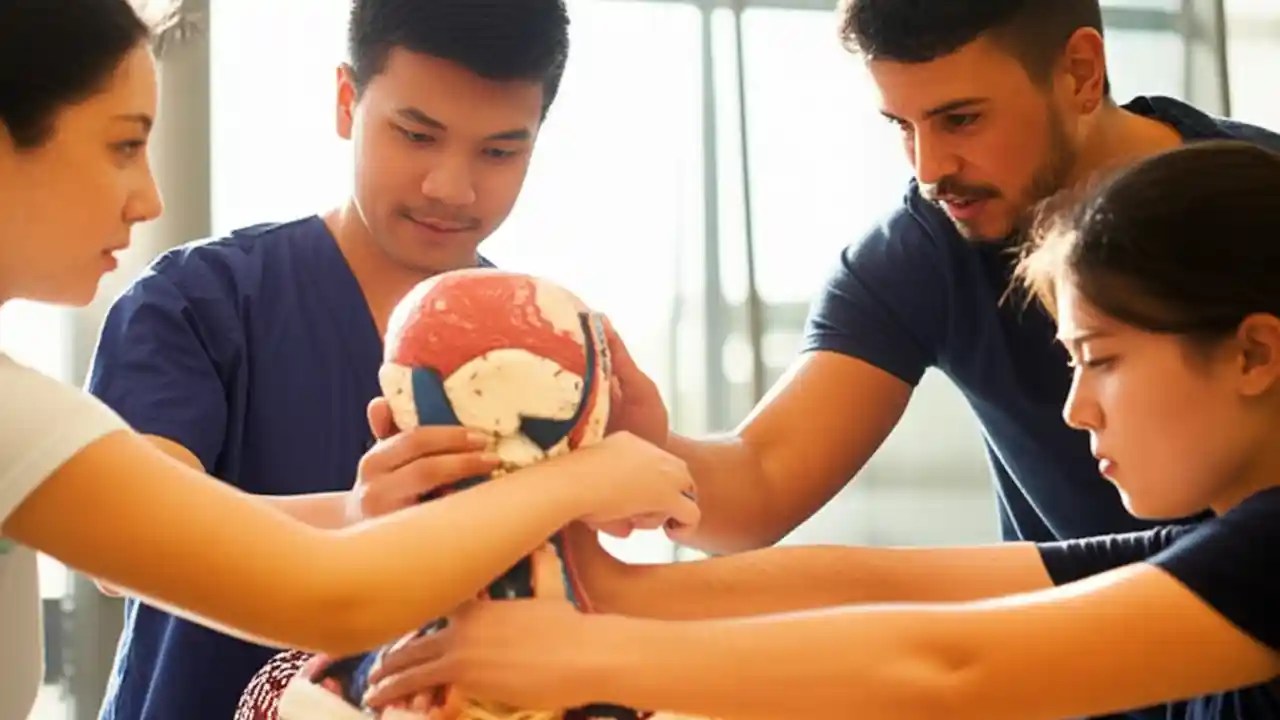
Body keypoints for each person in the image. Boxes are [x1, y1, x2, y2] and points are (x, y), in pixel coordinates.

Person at [359, 139, 1280, 720]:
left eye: (1102, 359)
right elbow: (881, 585)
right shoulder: (1214, 546)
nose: (1076, 408)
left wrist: (591, 651)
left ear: (1252, 355)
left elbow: (950, 666)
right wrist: (561, 562)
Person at [0, 3, 698, 720]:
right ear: (346, 101)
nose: (450, 186)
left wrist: (634, 485)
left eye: (498, 152)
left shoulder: (547, 345)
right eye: (415, 135)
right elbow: (131, 547)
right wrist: (368, 514)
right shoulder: (198, 302)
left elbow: (570, 591)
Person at [589, 4, 1280, 717]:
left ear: (1079, 71)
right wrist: (620, 527)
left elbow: (945, 664)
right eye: (900, 127)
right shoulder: (923, 249)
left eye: (961, 119)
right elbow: (863, 571)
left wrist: (587, 653)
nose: (929, 168)